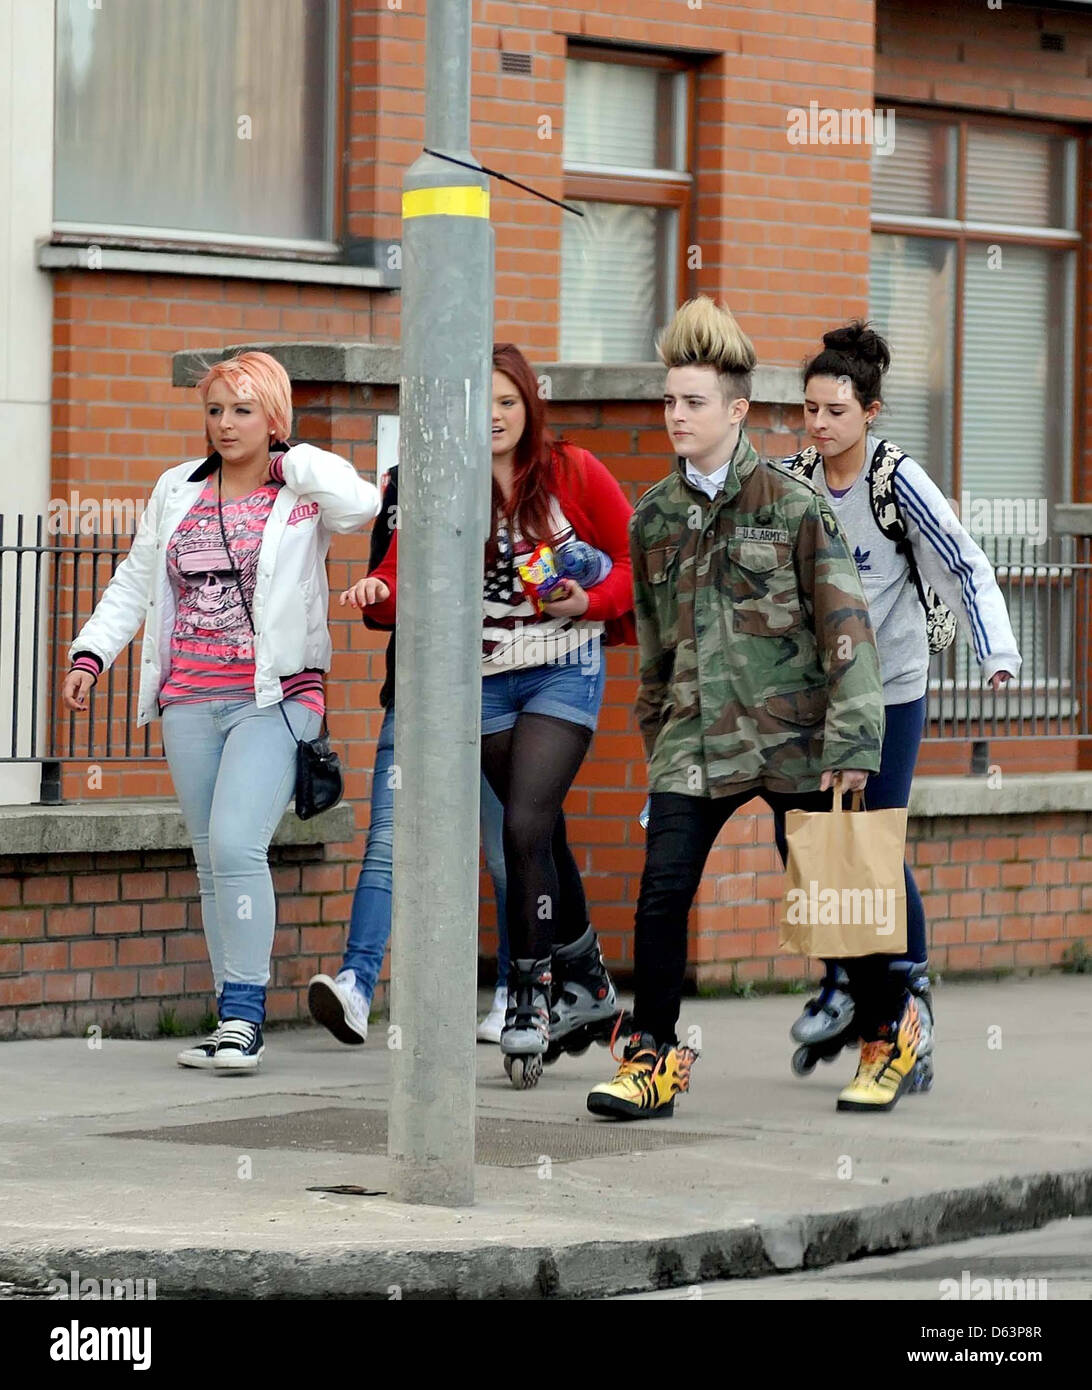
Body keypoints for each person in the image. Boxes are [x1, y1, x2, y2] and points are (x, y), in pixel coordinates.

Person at [586, 298, 885, 1121]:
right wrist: (659, 734)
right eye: (671, 401)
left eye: (694, 402)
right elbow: (652, 648)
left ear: (737, 409)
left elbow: (845, 627)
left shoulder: (792, 507)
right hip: (694, 740)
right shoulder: (653, 517)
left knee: (831, 894)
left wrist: (855, 741)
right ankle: (652, 1059)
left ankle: (886, 1035)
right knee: (661, 892)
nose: (677, 416)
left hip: (797, 736)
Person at [61, 351, 380, 1073]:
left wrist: (291, 459)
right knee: (212, 861)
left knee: (237, 845)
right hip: (189, 700)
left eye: (243, 410)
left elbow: (361, 506)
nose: (226, 425)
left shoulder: (299, 490)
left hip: (276, 697)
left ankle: (243, 1019)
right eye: (215, 411)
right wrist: (90, 655)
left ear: (273, 416)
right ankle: (228, 1014)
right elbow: (135, 583)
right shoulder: (177, 488)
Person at [350, 343, 636, 1089]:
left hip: (562, 670)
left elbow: (639, 559)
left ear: (528, 406)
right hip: (485, 678)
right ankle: (590, 981)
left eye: (508, 401)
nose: (497, 417)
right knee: (541, 829)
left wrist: (592, 601)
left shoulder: (572, 472)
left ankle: (529, 997)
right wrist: (380, 594)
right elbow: (401, 567)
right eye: (484, 404)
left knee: (519, 829)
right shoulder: (448, 479)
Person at [777, 321, 1021, 1112]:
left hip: (890, 688)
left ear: (870, 411)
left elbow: (962, 560)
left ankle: (906, 999)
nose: (818, 424)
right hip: (819, 691)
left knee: (873, 839)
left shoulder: (896, 479)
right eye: (808, 409)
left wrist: (997, 653)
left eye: (835, 411)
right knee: (819, 833)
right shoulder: (793, 479)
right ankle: (843, 980)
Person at [305, 461, 512, 1045]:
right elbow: (387, 590)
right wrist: (376, 592)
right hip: (416, 692)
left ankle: (514, 996)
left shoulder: (532, 478)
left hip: (504, 692)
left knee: (506, 850)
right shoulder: (408, 478)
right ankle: (356, 984)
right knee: (387, 843)